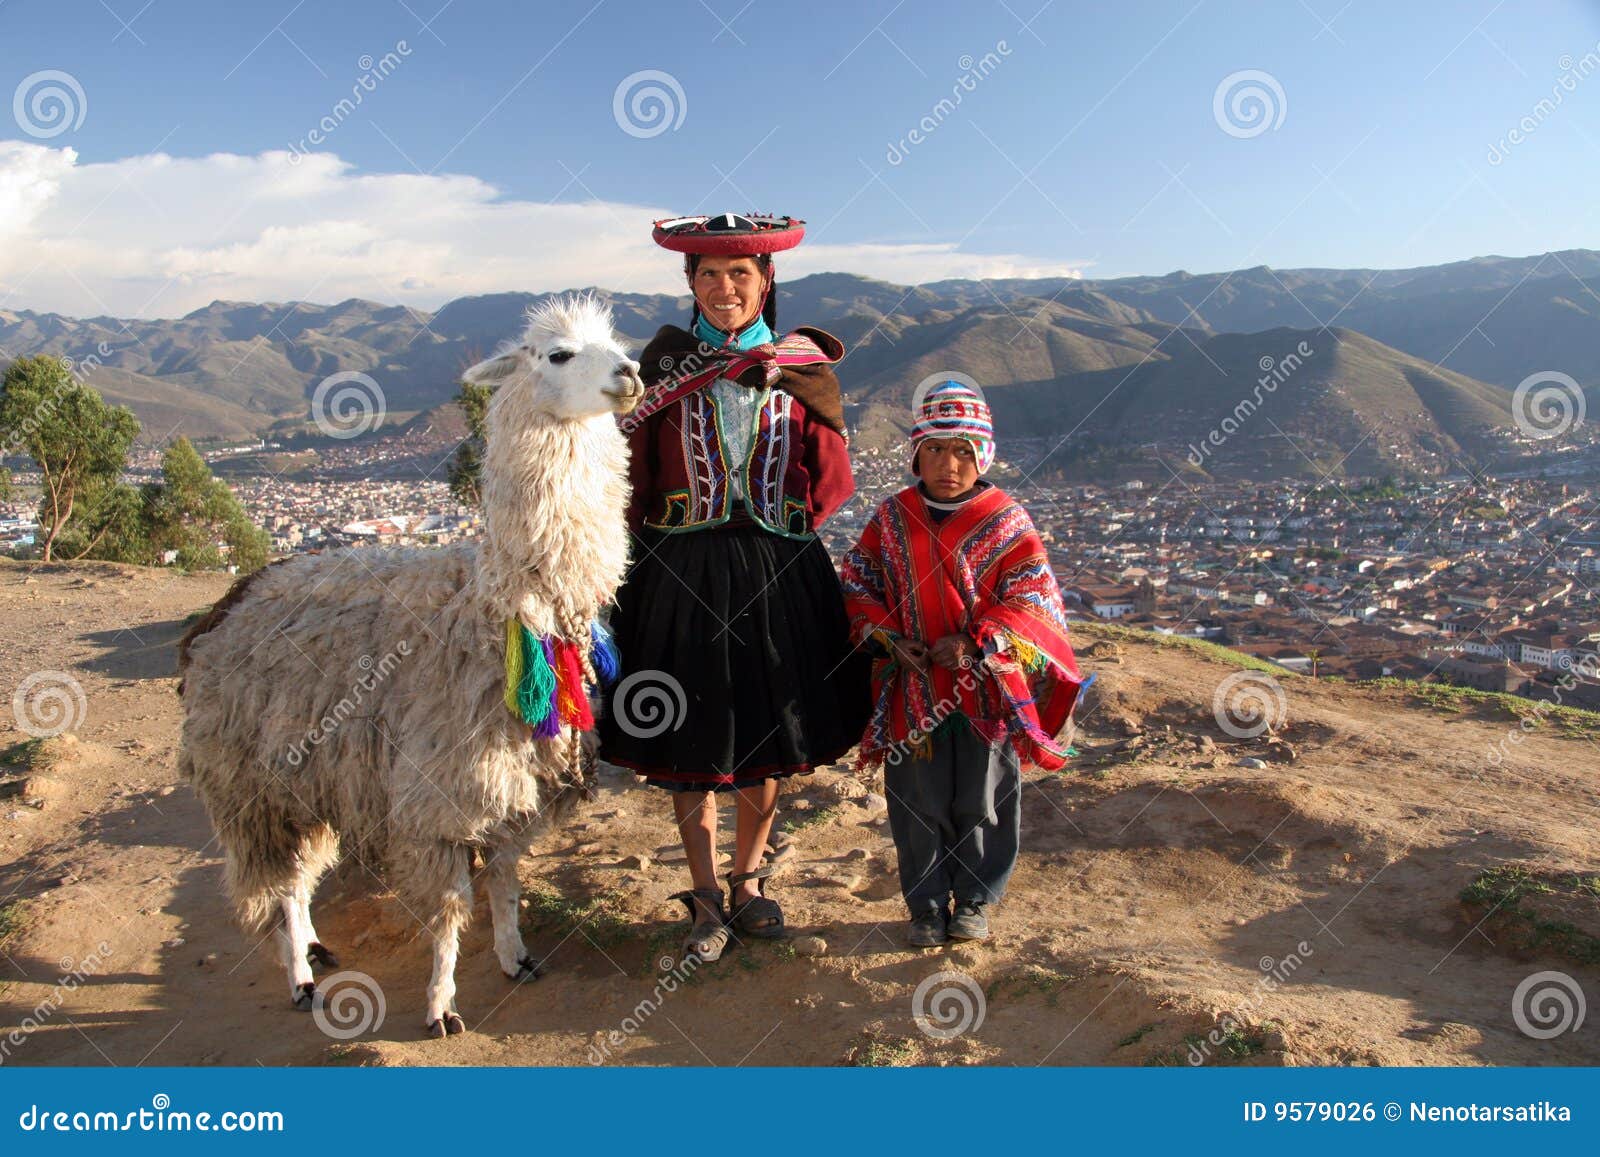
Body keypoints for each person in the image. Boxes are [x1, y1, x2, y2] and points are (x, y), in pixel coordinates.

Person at [599, 213, 870, 962]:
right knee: (690, 736)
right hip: (681, 574)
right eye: (709, 275)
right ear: (690, 283)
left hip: (777, 573)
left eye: (739, 274)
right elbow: (633, 478)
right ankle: (704, 893)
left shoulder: (803, 369)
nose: (724, 288)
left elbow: (832, 479)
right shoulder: (662, 371)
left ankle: (748, 882)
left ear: (765, 280)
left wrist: (781, 517)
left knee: (764, 730)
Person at [840, 379, 1085, 947]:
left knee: (983, 796)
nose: (948, 464)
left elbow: (1032, 596)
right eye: (935, 450)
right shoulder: (893, 516)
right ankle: (925, 904)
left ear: (984, 456)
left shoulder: (1006, 518)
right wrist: (889, 636)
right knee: (917, 797)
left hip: (985, 689)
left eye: (963, 452)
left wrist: (978, 642)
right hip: (914, 684)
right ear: (916, 454)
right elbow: (859, 580)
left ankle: (975, 898)